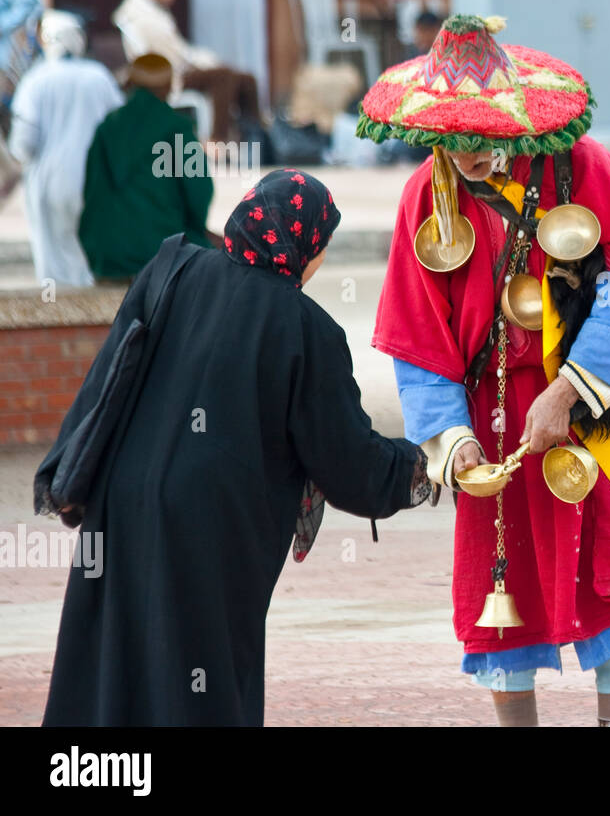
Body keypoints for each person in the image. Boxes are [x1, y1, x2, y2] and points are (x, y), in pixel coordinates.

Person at [358, 14, 610, 727]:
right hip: (487, 418)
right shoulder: (422, 198)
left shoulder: (583, 166)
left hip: (591, 404)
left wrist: (568, 392)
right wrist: (451, 441)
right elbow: (418, 338)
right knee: (497, 585)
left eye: (482, 138)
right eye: (452, 140)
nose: (467, 156)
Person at [36, 170, 435, 725]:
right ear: (303, 244)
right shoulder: (304, 327)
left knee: (115, 652)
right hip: (210, 528)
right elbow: (345, 459)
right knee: (196, 670)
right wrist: (418, 465)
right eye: (321, 247)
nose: (318, 262)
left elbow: (106, 381)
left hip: (122, 503)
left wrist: (71, 473)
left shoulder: (173, 267)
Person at [8, 11, 123, 286]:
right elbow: (120, 129)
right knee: (89, 260)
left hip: (50, 184)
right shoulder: (99, 77)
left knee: (54, 267)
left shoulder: (35, 81)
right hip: (97, 183)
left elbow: (23, 144)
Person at [79, 54, 215, 283]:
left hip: (106, 253)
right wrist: (198, 229)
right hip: (163, 251)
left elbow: (90, 191)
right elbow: (199, 193)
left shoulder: (106, 128)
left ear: (130, 84)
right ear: (169, 86)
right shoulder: (177, 128)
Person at [113, 0, 261, 142]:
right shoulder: (138, 14)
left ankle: (257, 139)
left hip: (180, 67)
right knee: (223, 76)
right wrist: (201, 61)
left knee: (246, 79)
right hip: (165, 76)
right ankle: (218, 141)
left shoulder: (154, 10)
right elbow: (173, 55)